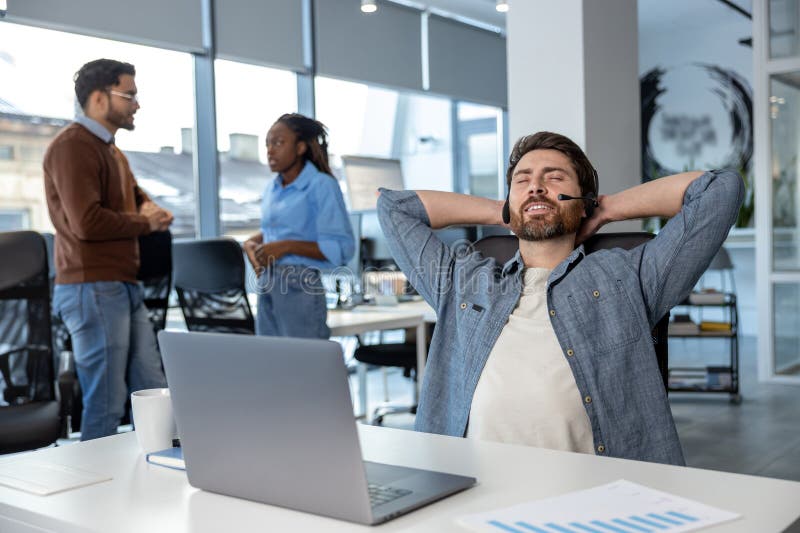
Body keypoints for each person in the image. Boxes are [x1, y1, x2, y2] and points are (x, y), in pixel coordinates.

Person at [377, 131, 743, 465]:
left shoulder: (630, 277)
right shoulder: (463, 281)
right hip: (470, 489)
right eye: (523, 180)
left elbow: (720, 190)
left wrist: (606, 208)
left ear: (582, 202)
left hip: (595, 494)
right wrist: (501, 210)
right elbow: (394, 208)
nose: (536, 187)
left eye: (554, 179)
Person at [44, 59, 173, 440]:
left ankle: (152, 483)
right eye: (129, 95)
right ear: (100, 99)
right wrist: (144, 221)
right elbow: (87, 223)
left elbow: (140, 199)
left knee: (152, 390)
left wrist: (149, 211)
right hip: (92, 286)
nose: (137, 104)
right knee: (106, 403)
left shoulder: (112, 152)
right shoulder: (73, 147)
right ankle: (95, 491)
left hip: (122, 284)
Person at [244, 113, 354, 339]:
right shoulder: (272, 188)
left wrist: (286, 247)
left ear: (301, 147)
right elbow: (279, 229)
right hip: (268, 282)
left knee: (305, 368)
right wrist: (253, 242)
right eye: (267, 144)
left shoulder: (321, 185)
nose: (270, 151)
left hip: (299, 284)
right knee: (270, 365)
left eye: (278, 143)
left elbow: (342, 247)